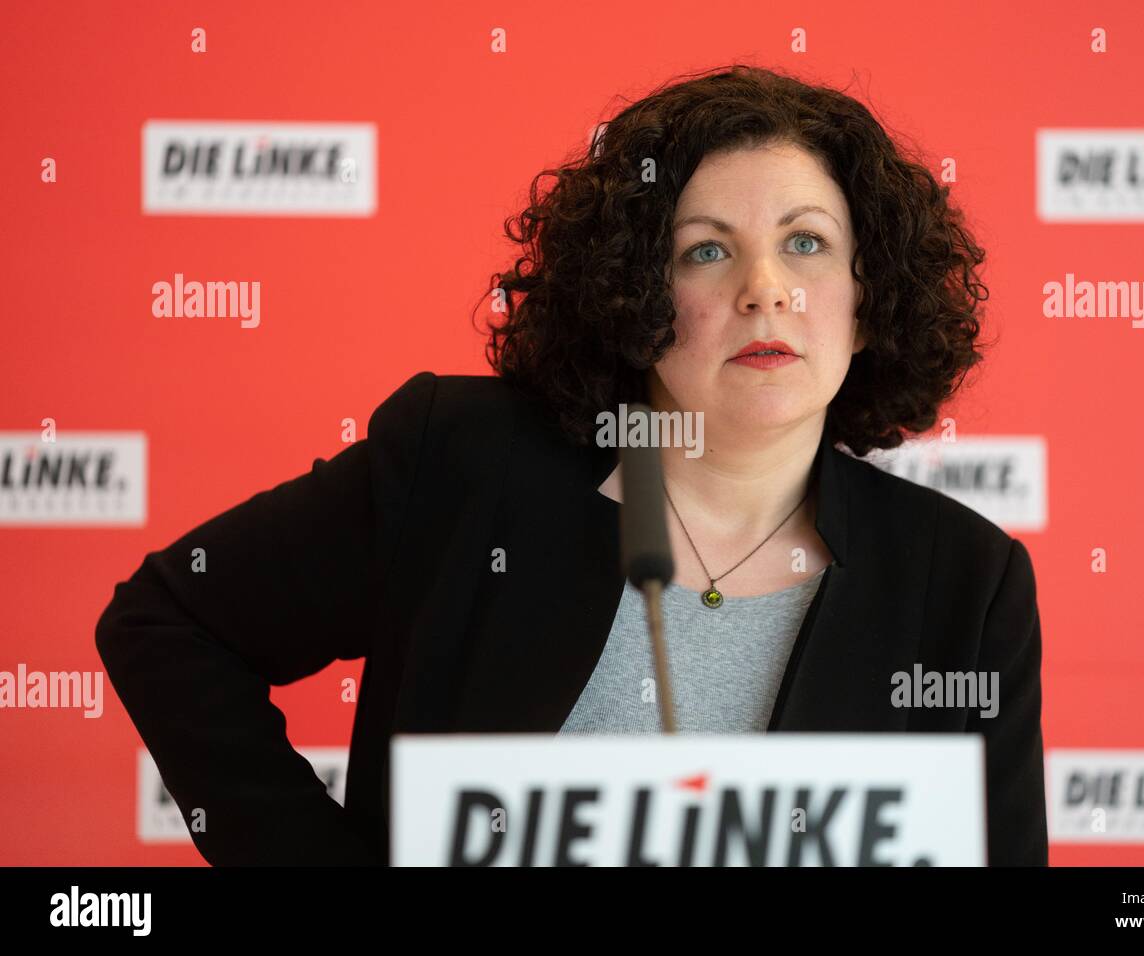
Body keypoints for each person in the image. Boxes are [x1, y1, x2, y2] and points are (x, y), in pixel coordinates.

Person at [95, 64, 1047, 866]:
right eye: (706, 250)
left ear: (867, 297)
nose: (766, 289)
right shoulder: (462, 463)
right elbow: (169, 621)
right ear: (636, 293)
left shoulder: (963, 583)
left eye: (806, 242)